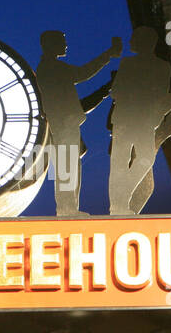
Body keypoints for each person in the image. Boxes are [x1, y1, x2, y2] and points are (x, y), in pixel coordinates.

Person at [36, 31, 119, 215]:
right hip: (62, 126)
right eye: (62, 41)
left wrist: (106, 88)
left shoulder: (50, 69)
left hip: (64, 125)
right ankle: (67, 209)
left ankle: (69, 208)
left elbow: (79, 103)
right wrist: (108, 55)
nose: (66, 45)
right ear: (50, 44)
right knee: (67, 168)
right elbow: (84, 73)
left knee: (70, 167)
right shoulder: (52, 68)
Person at [107, 27, 171, 215]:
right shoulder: (162, 67)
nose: (130, 42)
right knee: (138, 159)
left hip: (128, 119)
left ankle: (119, 202)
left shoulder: (130, 64)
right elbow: (162, 97)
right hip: (140, 119)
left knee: (122, 162)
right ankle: (119, 204)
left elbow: (116, 91)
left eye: (134, 39)